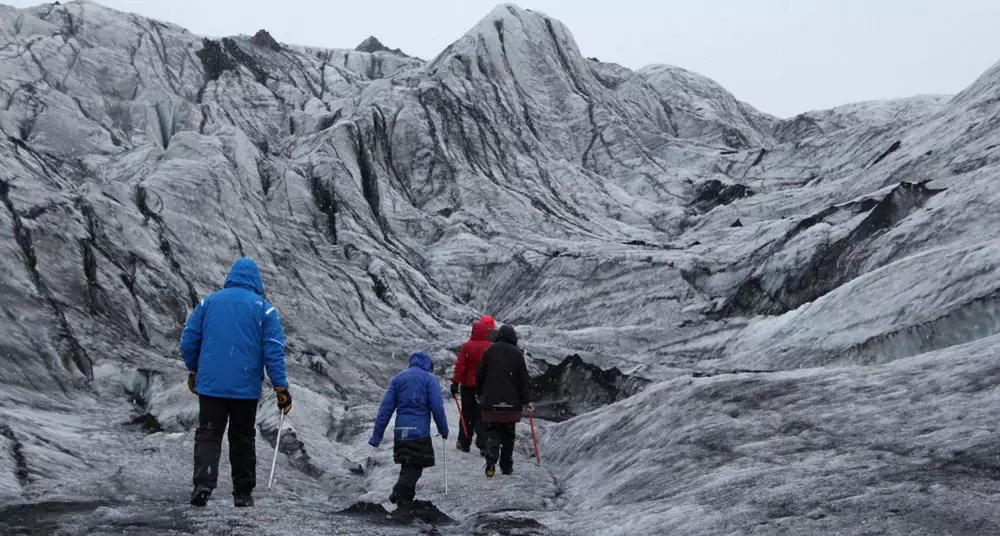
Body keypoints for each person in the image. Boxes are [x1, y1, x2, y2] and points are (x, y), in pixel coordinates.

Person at [180, 257, 292, 508]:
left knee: (209, 434)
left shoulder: (209, 302)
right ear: (256, 281)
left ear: (231, 277)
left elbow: (188, 340)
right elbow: (273, 351)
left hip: (211, 386)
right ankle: (242, 493)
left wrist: (194, 370)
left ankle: (203, 485)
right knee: (242, 437)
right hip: (245, 388)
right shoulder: (264, 309)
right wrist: (280, 387)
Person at [369, 351, 449, 507]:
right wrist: (443, 430)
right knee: (415, 467)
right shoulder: (429, 379)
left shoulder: (398, 378)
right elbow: (437, 407)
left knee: (408, 465)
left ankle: (404, 504)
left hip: (401, 433)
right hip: (419, 433)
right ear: (428, 365)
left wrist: (376, 437)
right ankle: (400, 493)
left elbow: (385, 410)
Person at [475, 325, 531, 477]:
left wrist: (478, 392)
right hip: (512, 403)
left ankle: (492, 453)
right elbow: (523, 381)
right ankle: (506, 466)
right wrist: (526, 400)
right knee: (509, 433)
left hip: (491, 400)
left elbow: (480, 374)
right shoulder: (517, 354)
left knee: (493, 429)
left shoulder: (490, 351)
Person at [450, 320, 491, 454]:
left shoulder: (467, 347)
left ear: (473, 331)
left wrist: (455, 383)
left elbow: (460, 366)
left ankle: (464, 442)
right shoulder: (490, 347)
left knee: (466, 414)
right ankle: (483, 444)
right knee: (481, 415)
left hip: (467, 386)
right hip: (484, 387)